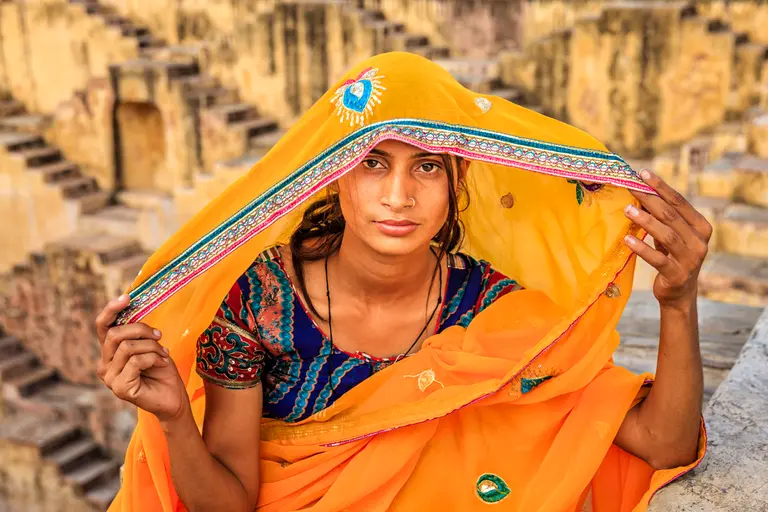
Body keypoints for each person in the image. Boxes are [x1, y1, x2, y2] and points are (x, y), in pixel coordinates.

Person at [99, 52, 708, 511]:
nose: (399, 196)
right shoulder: (260, 304)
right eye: (372, 164)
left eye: (426, 166)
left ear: (456, 183)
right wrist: (178, 419)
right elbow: (232, 503)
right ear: (333, 177)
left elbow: (662, 444)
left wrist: (678, 303)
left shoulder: (491, 311)